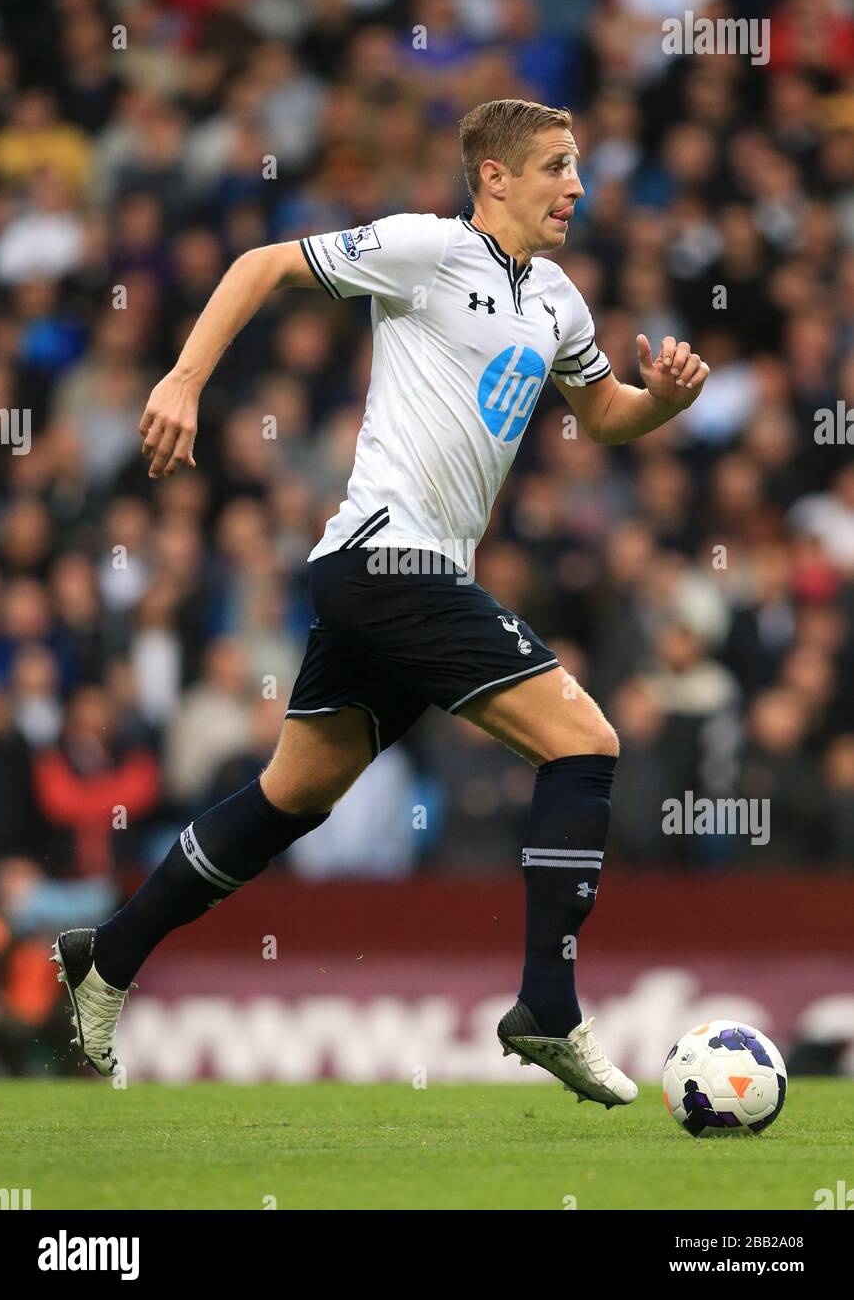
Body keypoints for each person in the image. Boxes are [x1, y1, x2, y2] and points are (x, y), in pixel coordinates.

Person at [51, 98, 709, 1106]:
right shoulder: (422, 251)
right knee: (583, 742)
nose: (575, 185)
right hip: (386, 561)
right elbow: (258, 265)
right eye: (553, 167)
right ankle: (547, 1003)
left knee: (292, 795)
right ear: (491, 177)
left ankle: (109, 953)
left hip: (416, 572)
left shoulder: (559, 301)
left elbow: (603, 412)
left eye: (575, 167)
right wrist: (183, 378)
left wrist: (662, 397)